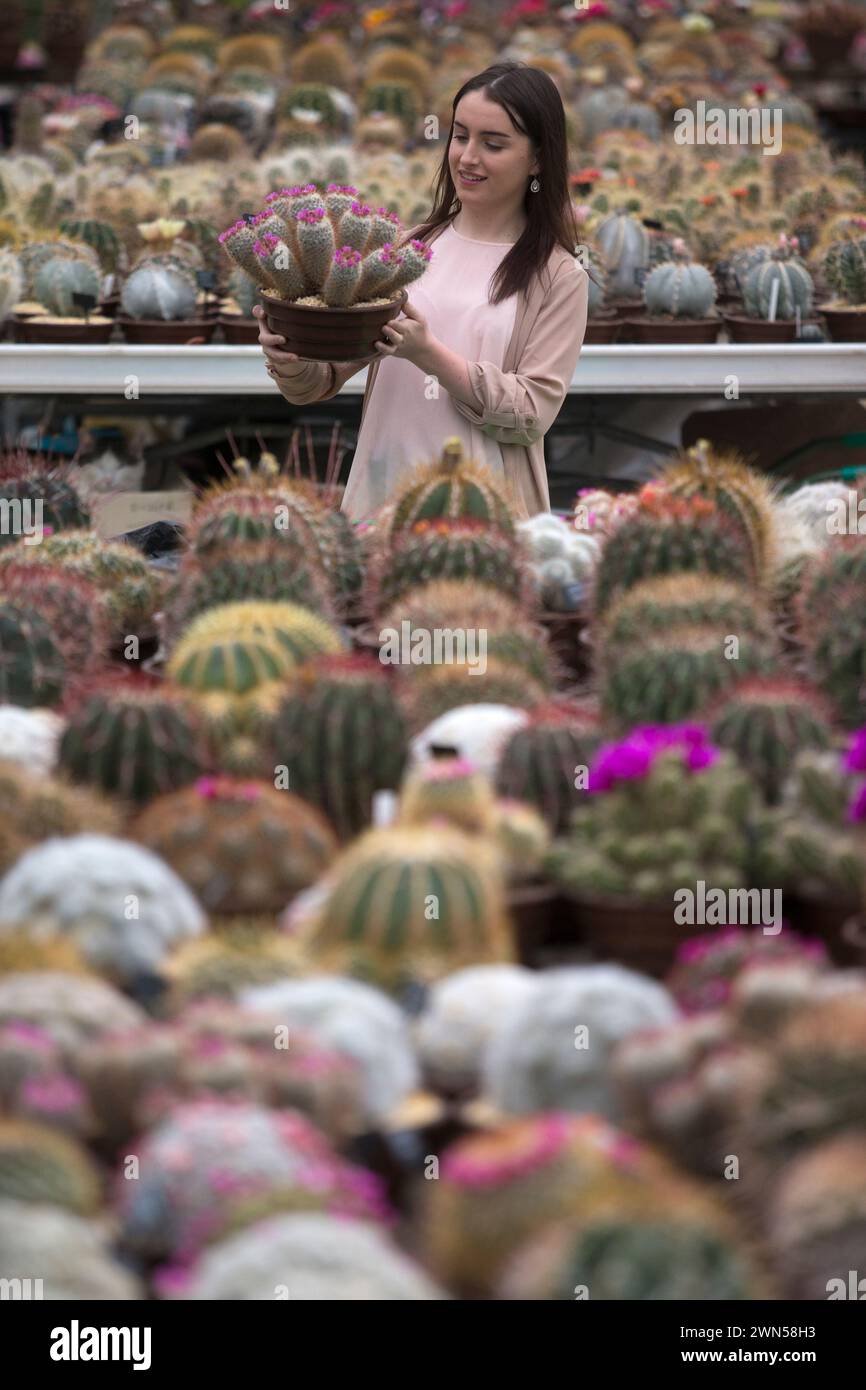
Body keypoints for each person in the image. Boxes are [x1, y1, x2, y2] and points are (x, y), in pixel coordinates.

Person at [255, 60, 589, 520]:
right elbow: (320, 383)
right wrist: (289, 356)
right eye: (460, 135)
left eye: (493, 144)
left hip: (482, 518)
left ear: (537, 158)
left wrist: (427, 353)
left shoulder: (558, 275)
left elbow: (530, 414)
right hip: (381, 502)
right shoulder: (410, 248)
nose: (468, 157)